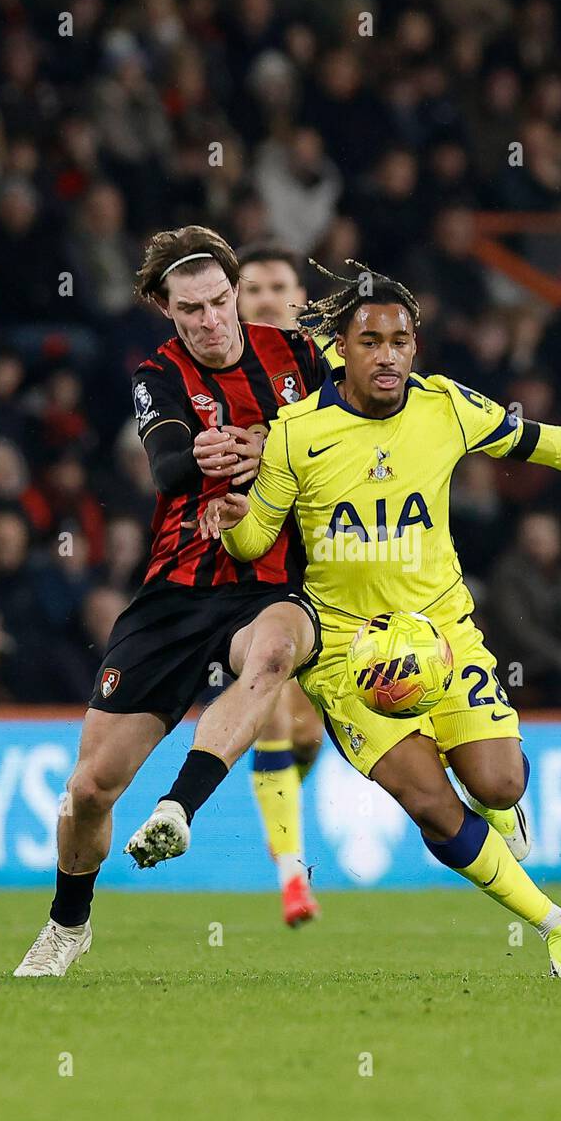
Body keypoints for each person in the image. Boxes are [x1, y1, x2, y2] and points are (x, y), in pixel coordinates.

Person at [152, 262, 561, 978]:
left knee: (498, 785)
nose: (387, 355)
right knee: (428, 802)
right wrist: (233, 520)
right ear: (343, 348)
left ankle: (505, 801)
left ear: (415, 345)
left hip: (443, 638)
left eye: (400, 340)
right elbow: (256, 540)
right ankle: (557, 924)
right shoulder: (299, 433)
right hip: (348, 657)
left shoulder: (448, 408)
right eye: (370, 341)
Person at [13, 226, 327, 978]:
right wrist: (204, 456)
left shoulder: (301, 358)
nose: (212, 320)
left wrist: (269, 448)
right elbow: (165, 465)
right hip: (178, 595)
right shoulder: (157, 372)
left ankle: (178, 807)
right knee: (90, 789)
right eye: (192, 310)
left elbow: (350, 438)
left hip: (272, 583)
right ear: (164, 307)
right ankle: (69, 923)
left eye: (222, 301)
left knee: (274, 653)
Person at [233, 242, 326, 924]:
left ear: (302, 299)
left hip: (331, 564)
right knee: (276, 706)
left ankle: (289, 848)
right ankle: (293, 877)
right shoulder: (211, 370)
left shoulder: (327, 370)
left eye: (279, 288)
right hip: (253, 566)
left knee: (307, 738)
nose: (266, 299)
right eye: (253, 289)